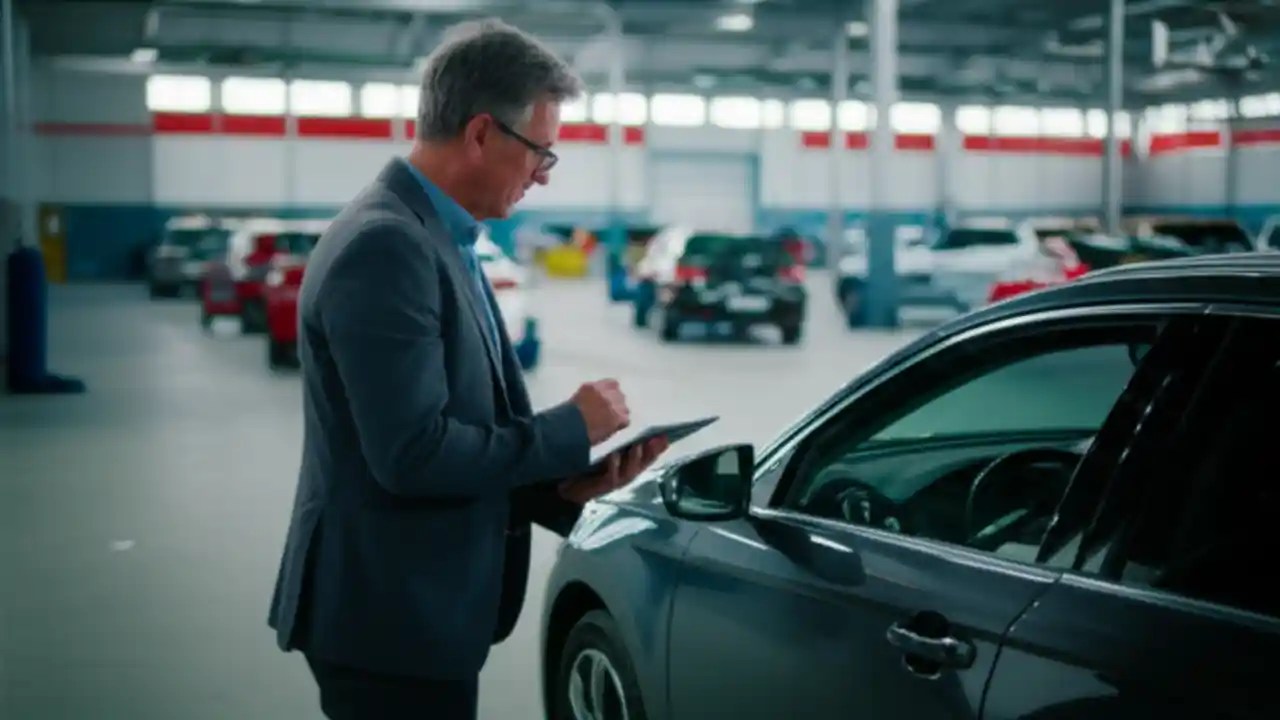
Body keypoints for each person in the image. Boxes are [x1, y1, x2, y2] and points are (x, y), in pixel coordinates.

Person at [265, 18, 669, 719]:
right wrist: (566, 428)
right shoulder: (386, 246)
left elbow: (455, 432)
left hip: (415, 610)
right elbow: (412, 454)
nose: (542, 177)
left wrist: (558, 488)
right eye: (541, 153)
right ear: (482, 134)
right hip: (387, 619)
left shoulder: (441, 237)